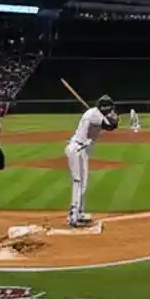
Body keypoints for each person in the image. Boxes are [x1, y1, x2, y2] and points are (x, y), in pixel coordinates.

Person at [64, 94, 118, 228]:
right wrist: (113, 119)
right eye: (110, 108)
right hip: (76, 149)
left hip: (81, 151)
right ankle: (73, 215)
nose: (111, 111)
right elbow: (110, 126)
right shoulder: (94, 114)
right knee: (78, 181)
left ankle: (80, 212)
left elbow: (109, 124)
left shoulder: (96, 114)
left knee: (84, 182)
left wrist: (110, 118)